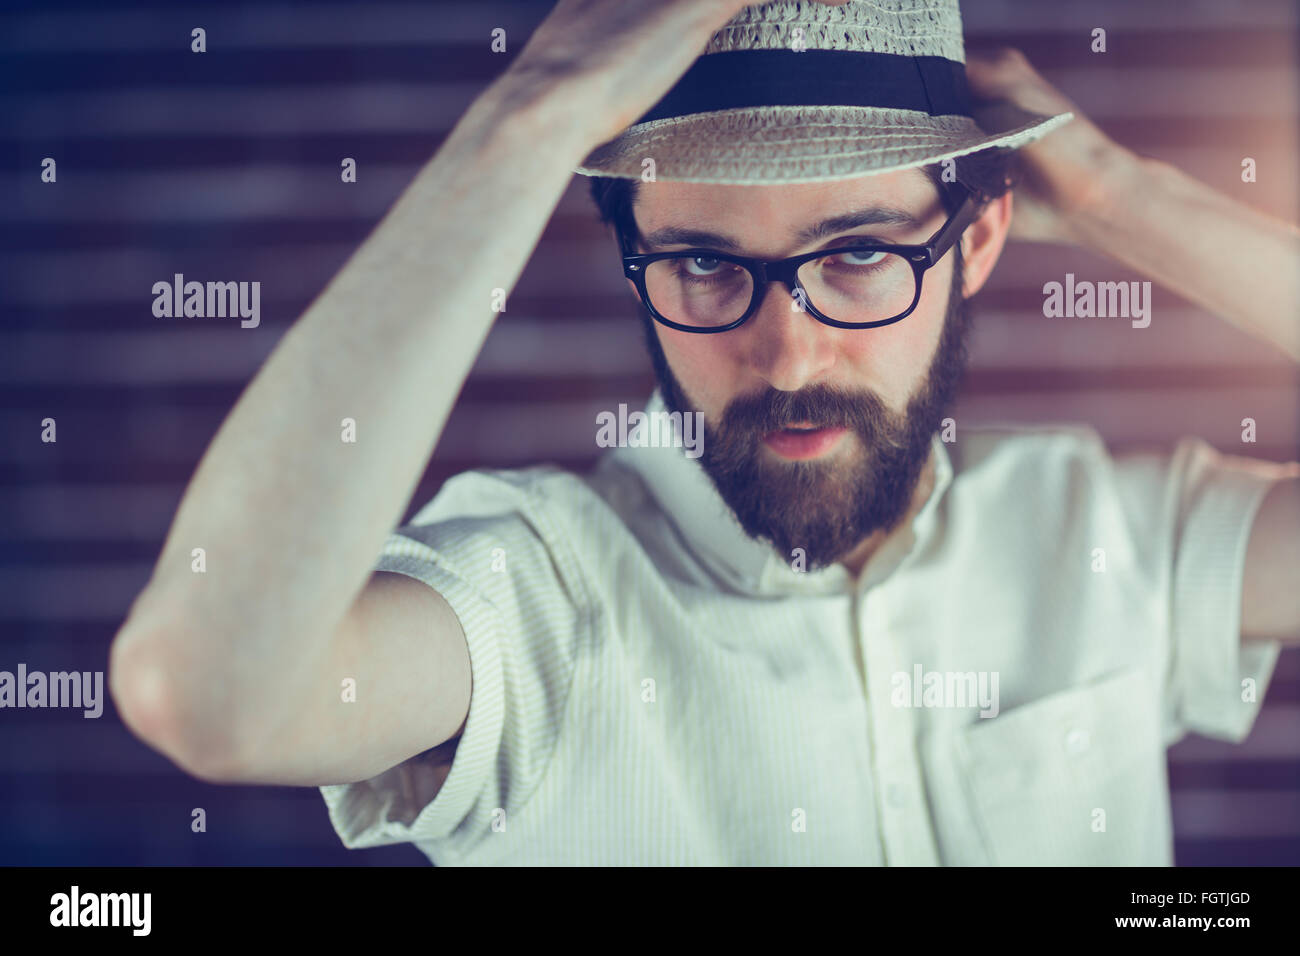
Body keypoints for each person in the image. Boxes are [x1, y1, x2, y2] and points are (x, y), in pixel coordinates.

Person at [107, 0, 1300, 865]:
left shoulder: (1106, 534)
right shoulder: (534, 596)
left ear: (973, 242)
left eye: (859, 254)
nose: (786, 355)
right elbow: (205, 692)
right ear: (637, 267)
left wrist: (1117, 193)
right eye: (702, 264)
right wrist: (527, 122)